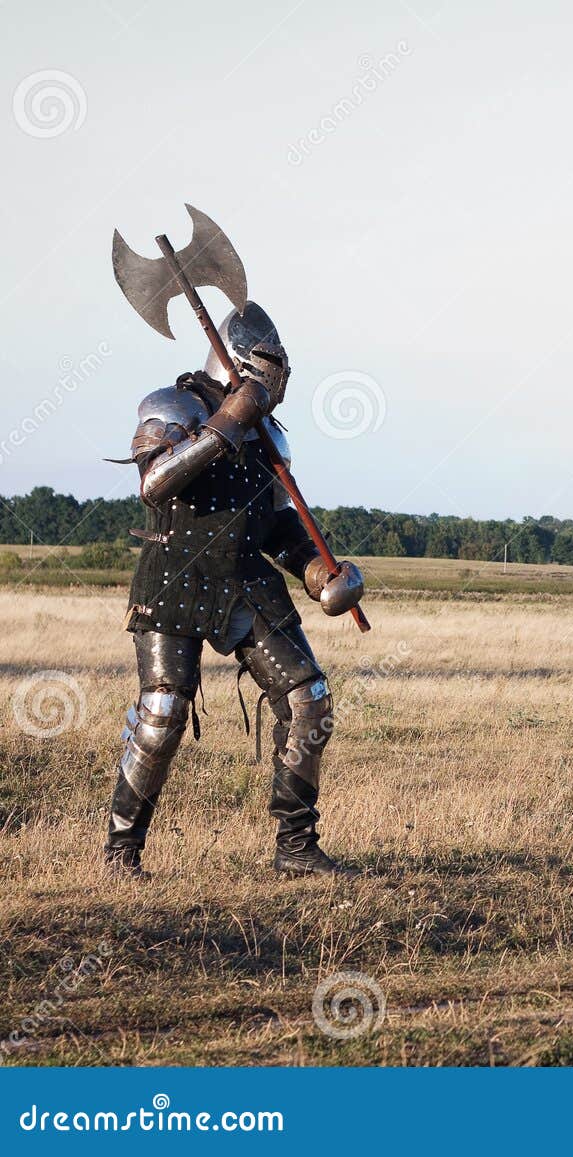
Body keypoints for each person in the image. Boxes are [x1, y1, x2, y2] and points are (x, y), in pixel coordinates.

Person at [105, 302, 364, 877]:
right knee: (163, 711)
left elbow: (277, 525)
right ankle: (122, 852)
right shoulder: (174, 407)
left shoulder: (270, 437)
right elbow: (154, 482)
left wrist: (319, 572)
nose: (274, 383)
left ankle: (296, 846)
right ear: (237, 366)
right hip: (175, 575)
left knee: (309, 699)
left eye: (278, 372)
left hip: (246, 580)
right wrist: (229, 419)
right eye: (264, 370)